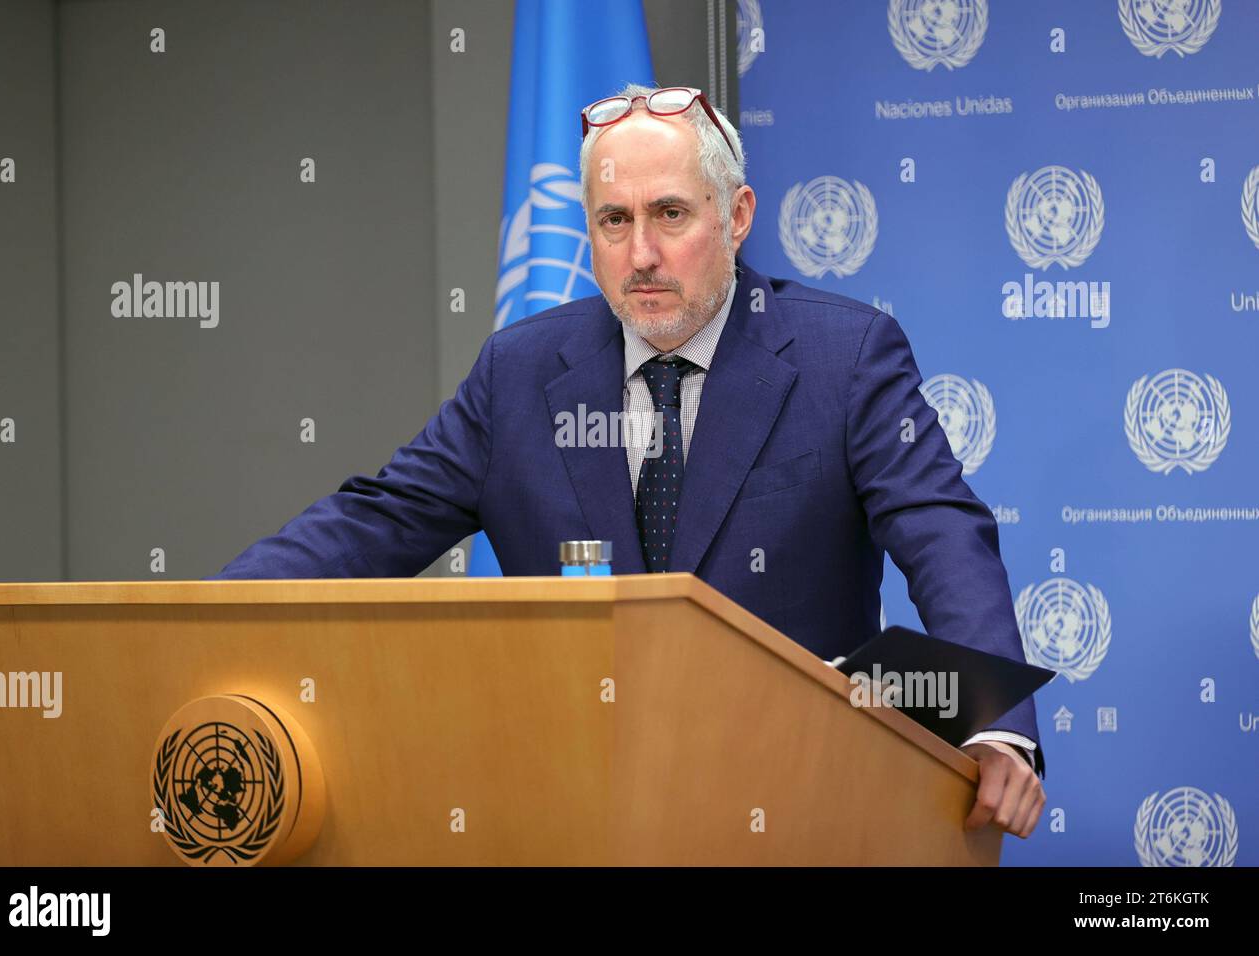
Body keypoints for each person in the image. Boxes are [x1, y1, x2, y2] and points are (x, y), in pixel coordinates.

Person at [212, 84, 1046, 839]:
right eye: (615, 221)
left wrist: (996, 725)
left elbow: (941, 532)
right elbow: (376, 521)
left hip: (795, 806)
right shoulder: (520, 373)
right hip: (575, 813)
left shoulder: (845, 356)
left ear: (739, 214)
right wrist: (201, 618)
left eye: (671, 215)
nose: (640, 254)